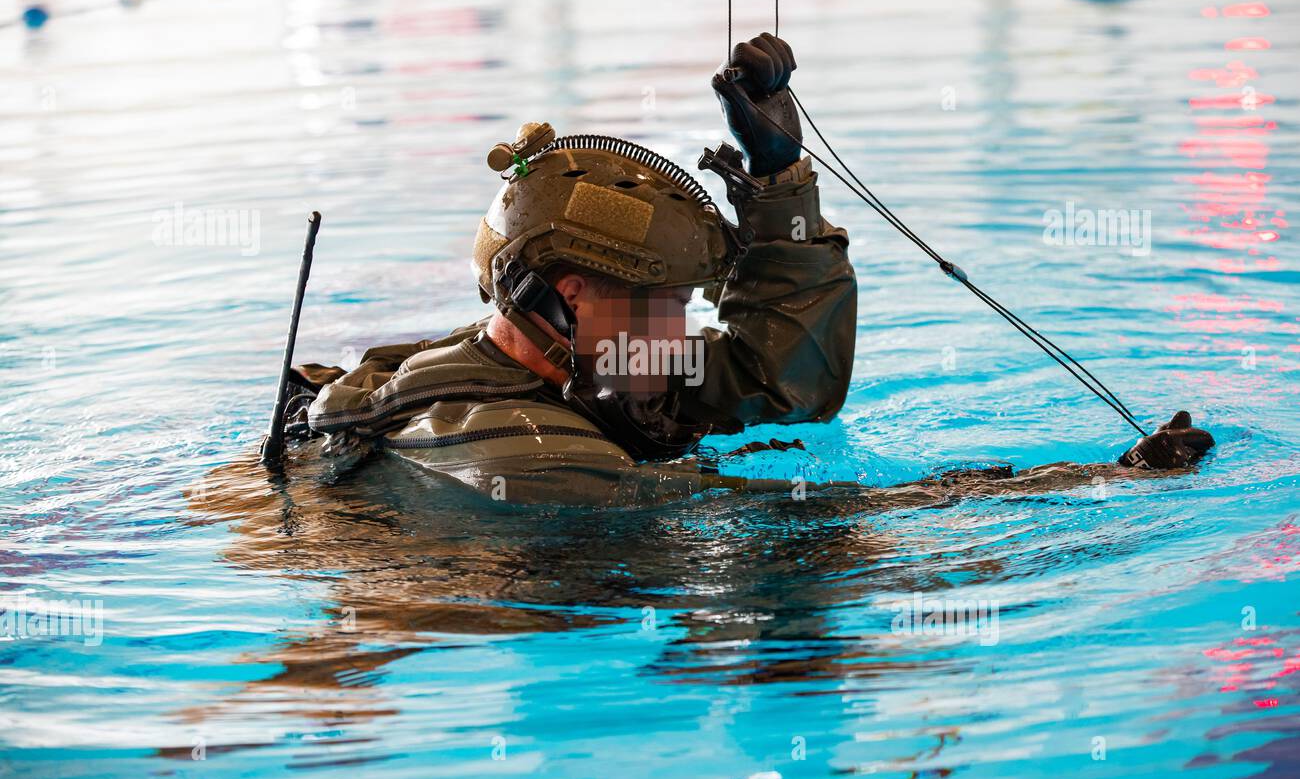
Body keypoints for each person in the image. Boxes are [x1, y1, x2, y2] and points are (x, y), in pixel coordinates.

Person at [279, 33, 1212, 507]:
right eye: (668, 304)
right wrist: (1100, 486)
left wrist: (778, 186)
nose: (684, 330)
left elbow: (782, 379)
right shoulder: (531, 453)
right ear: (574, 295)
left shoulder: (573, 359)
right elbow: (816, 527)